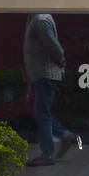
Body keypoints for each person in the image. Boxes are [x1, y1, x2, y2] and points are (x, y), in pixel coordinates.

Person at [23, 12, 80, 166]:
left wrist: (61, 60)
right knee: (36, 110)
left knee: (42, 113)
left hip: (45, 73)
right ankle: (65, 135)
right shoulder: (35, 18)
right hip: (38, 74)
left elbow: (52, 45)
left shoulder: (41, 19)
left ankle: (47, 154)